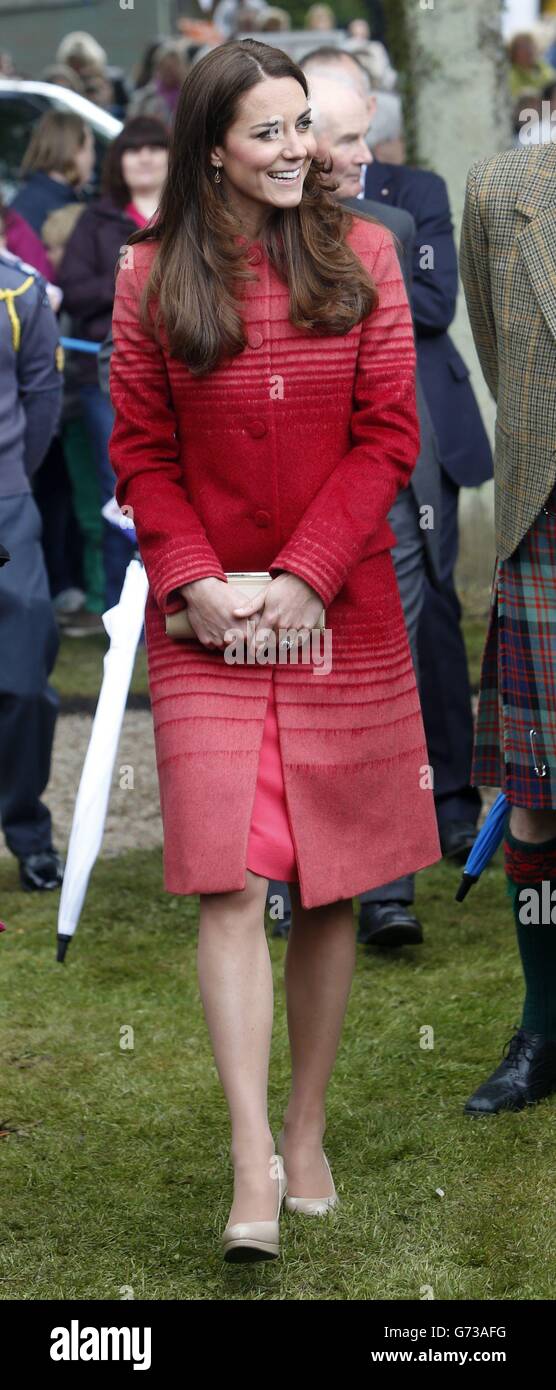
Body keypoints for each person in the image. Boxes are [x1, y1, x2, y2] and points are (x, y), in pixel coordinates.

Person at [109, 37, 440, 1262]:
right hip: (206, 619)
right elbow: (138, 450)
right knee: (228, 877)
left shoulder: (365, 256)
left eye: (303, 122)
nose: (299, 147)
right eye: (269, 130)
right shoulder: (149, 277)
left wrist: (304, 576)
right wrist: (196, 583)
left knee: (330, 874)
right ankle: (250, 1153)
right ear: (211, 150)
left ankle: (307, 1129)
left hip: (333, 606)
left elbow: (388, 434)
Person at [268, 58, 444, 949]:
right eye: (314, 135)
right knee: (279, 693)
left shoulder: (384, 231)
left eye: (337, 137)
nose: (333, 154)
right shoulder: (206, 244)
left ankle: (386, 892)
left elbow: (390, 401)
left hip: (376, 506)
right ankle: (280, 868)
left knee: (381, 686)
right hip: (263, 514)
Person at [459, 139, 556, 1115]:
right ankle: (544, 1024)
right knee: (536, 799)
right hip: (546, 521)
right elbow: (498, 351)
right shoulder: (499, 187)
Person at [58, 116, 170, 610]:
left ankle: (174, 599)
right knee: (120, 493)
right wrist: (138, 284)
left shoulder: (193, 215)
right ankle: (120, 610)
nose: (144, 157)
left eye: (154, 148)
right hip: (109, 377)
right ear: (118, 162)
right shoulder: (95, 220)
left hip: (186, 375)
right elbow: (73, 293)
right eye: (132, 150)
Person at [0, 248, 65, 890]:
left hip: (4, 507)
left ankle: (26, 831)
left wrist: (12, 478)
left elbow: (43, 397)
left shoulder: (17, 291)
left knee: (22, 683)